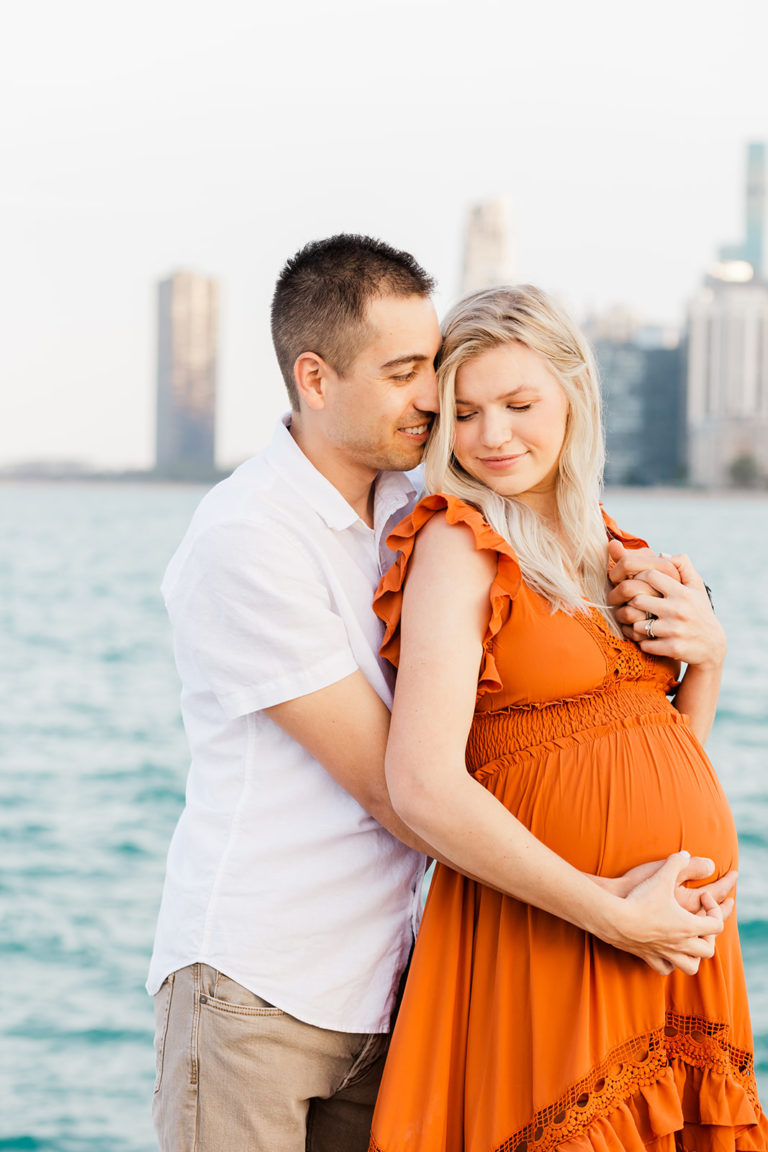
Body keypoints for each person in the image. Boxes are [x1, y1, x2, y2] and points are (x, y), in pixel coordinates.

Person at [148, 238, 735, 1152]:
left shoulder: (409, 499)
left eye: (436, 371)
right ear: (315, 377)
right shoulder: (248, 539)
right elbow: (401, 786)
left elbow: (628, 731)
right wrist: (613, 913)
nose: (436, 401)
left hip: (388, 977)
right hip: (261, 986)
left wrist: (706, 655)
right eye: (408, 373)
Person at [367, 284, 766, 1152]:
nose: (492, 436)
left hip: (666, 942)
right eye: (465, 412)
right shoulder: (456, 542)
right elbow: (423, 784)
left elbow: (663, 752)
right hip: (554, 931)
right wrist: (612, 914)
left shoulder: (619, 549)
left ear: (576, 393)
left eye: (519, 404)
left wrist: (711, 660)